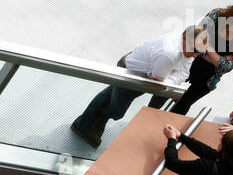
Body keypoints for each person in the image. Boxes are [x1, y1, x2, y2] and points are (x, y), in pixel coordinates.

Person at [71, 25, 204, 147]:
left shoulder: (188, 46)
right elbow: (158, 81)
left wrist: (168, 80)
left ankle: (83, 124)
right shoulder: (170, 54)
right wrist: (169, 79)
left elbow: (183, 73)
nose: (196, 55)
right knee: (117, 111)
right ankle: (89, 125)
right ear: (186, 38)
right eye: (196, 50)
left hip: (135, 66)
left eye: (201, 52)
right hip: (132, 76)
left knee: (109, 94)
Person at [172, 0, 233, 115]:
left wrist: (208, 46)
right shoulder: (217, 15)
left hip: (208, 78)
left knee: (182, 105)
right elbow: (195, 41)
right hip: (188, 62)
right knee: (164, 93)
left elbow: (227, 67)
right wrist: (219, 59)